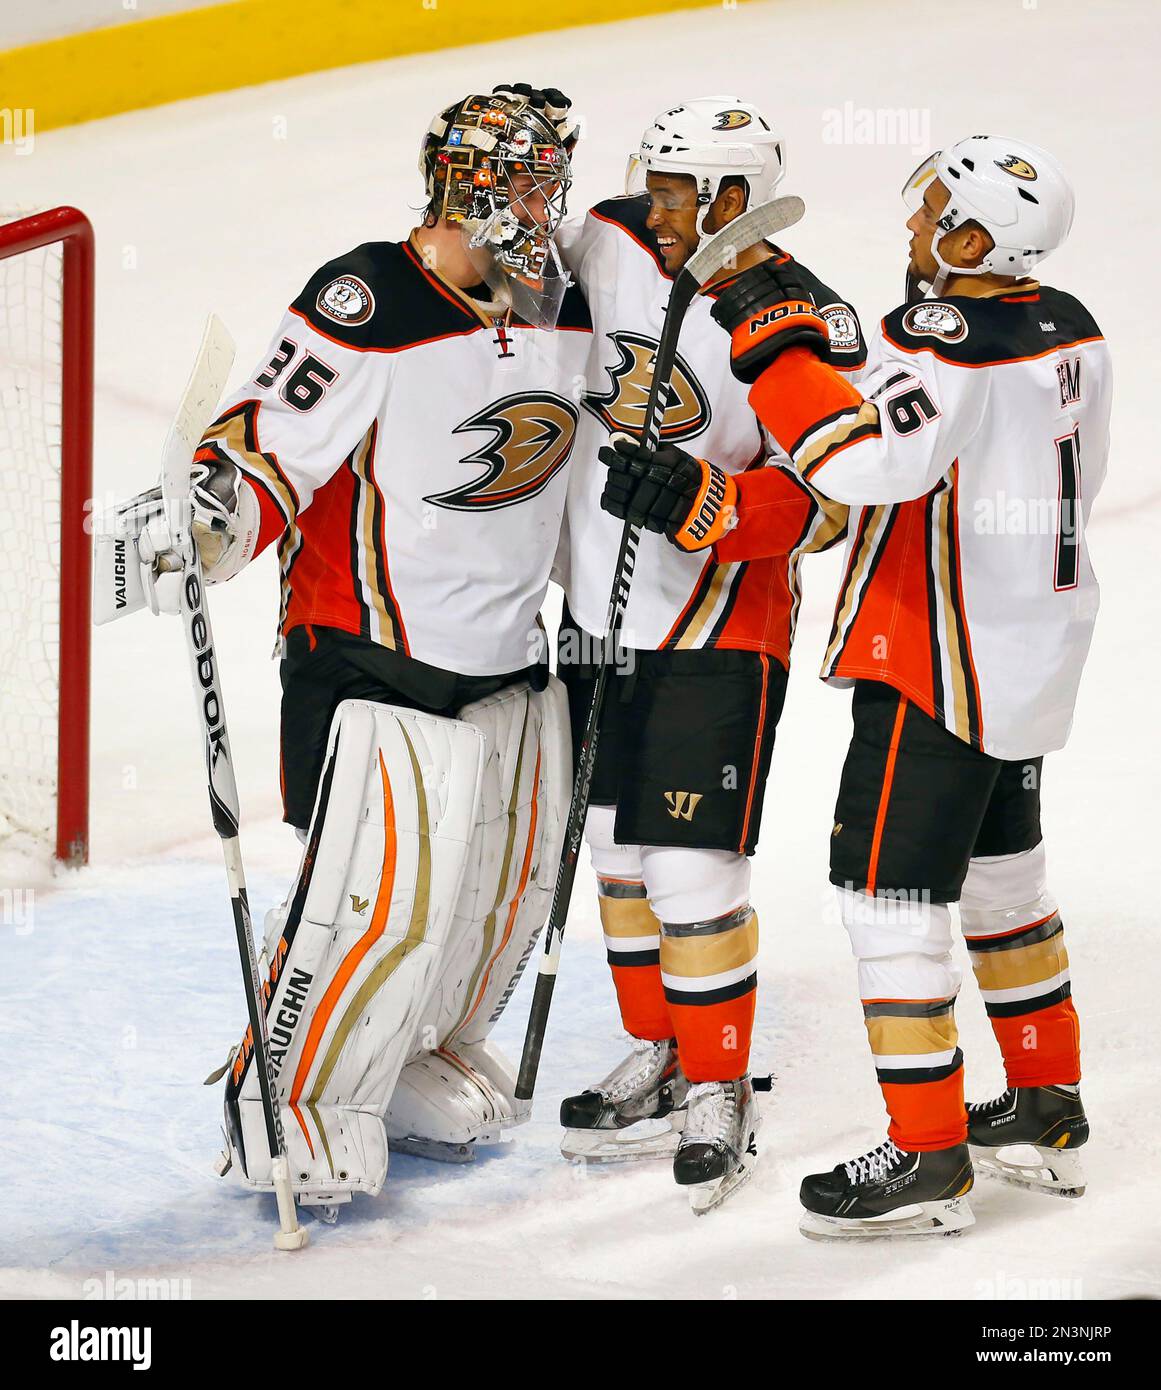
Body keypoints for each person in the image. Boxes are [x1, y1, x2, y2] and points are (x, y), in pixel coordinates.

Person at [600, 135, 1109, 1237]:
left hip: (937, 659)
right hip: (1029, 653)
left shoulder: (947, 337)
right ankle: (1043, 1107)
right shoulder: (1069, 324)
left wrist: (767, 338)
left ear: (977, 241)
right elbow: (900, 471)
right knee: (1004, 887)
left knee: (887, 903)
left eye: (935, 216)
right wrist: (721, 506)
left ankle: (927, 1157)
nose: (916, 229)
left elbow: (863, 463)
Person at [184, 88, 590, 1216]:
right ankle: (282, 1095)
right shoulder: (364, 297)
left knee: (484, 896)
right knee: (374, 895)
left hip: (504, 645)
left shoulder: (559, 299)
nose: (542, 200)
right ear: (464, 181)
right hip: (368, 650)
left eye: (550, 176)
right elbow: (267, 442)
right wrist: (215, 515)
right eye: (522, 178)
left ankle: (407, 1058)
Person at [552, 97, 863, 1212]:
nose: (656, 201)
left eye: (677, 186)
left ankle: (722, 1081)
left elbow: (839, 500)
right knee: (613, 858)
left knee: (691, 871)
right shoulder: (610, 240)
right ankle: (665, 1050)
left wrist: (709, 502)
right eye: (654, 179)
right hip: (595, 614)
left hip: (720, 630)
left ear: (733, 197)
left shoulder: (802, 318)